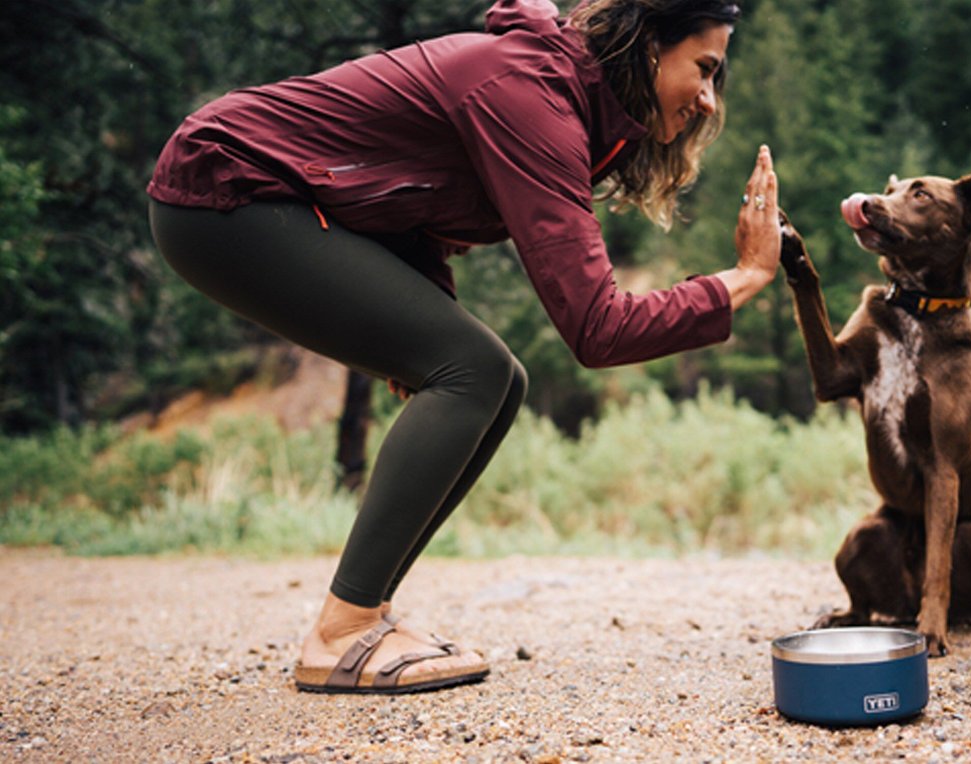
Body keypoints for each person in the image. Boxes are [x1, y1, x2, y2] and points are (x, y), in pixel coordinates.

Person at [146, 0, 780, 695]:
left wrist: (421, 318)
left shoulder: (562, 96)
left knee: (496, 380)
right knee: (471, 370)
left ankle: (366, 617)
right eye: (705, 69)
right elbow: (598, 328)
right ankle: (341, 632)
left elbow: (418, 194)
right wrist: (741, 279)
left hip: (282, 201)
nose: (708, 98)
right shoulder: (531, 95)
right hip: (228, 188)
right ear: (648, 44)